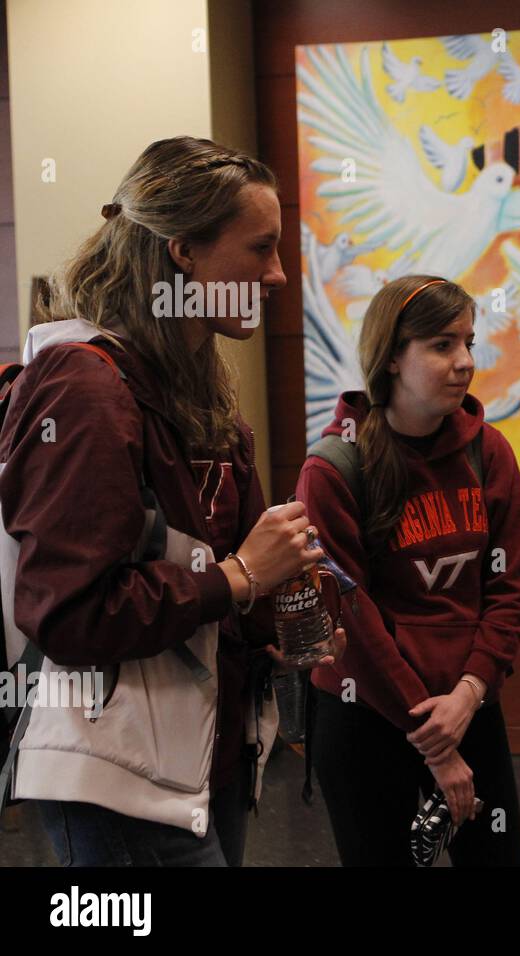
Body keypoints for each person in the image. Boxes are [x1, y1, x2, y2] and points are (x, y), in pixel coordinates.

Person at [0, 136, 342, 867]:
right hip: (114, 779)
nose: (279, 275)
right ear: (183, 253)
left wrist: (263, 617)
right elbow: (69, 614)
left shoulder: (203, 398)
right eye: (261, 249)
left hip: (202, 762)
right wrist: (241, 578)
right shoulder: (82, 388)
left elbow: (214, 578)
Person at [297, 274, 520, 867]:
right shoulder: (335, 469)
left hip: (467, 706)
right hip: (368, 714)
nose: (465, 362)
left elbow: (510, 590)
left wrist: (470, 694)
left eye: (469, 343)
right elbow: (352, 619)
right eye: (442, 345)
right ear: (393, 358)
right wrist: (433, 742)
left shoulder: (489, 452)